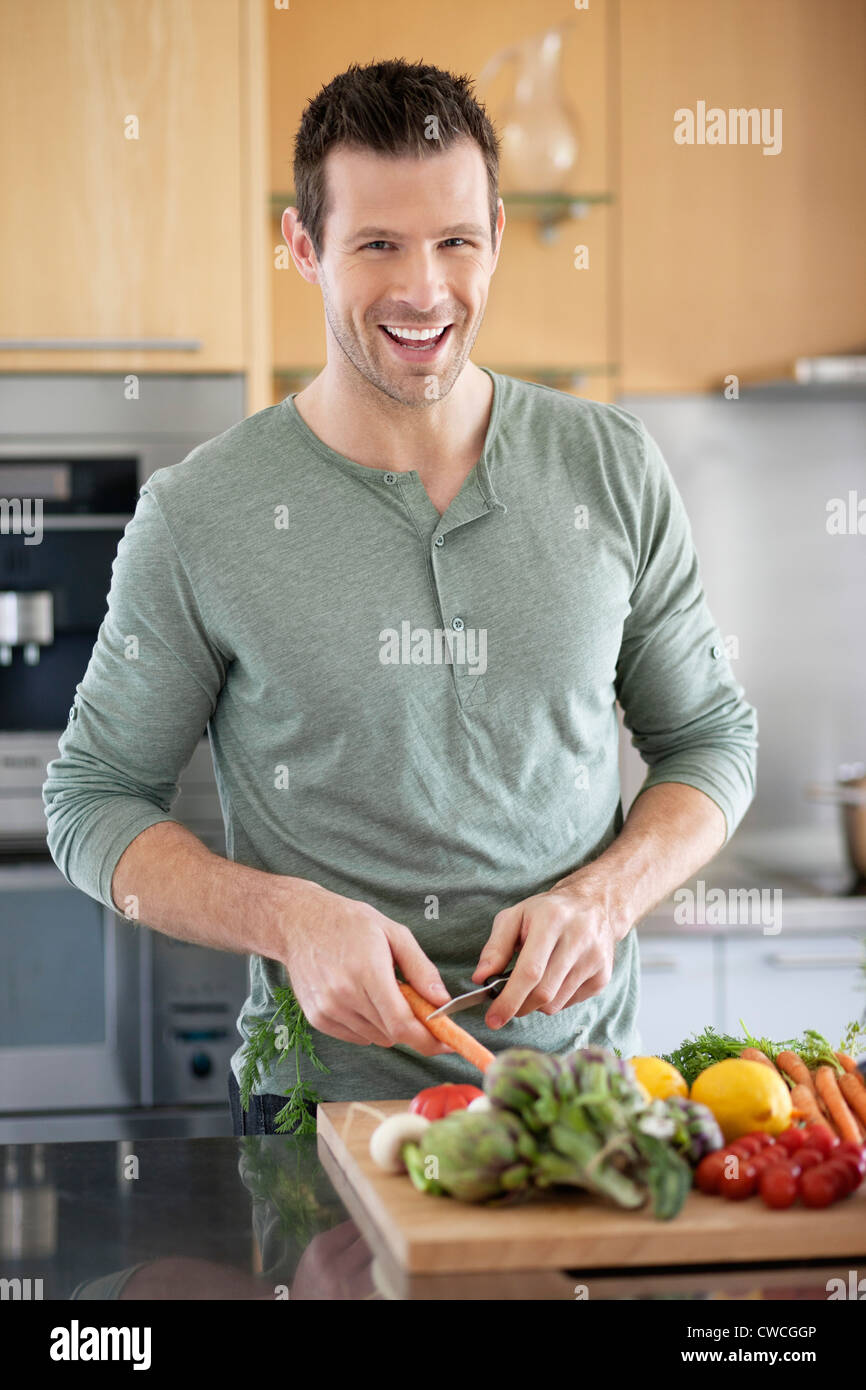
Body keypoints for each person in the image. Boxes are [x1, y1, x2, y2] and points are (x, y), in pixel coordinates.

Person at [43, 59, 758, 1136]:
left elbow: (710, 739)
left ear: (497, 236)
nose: (423, 290)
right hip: (321, 1123)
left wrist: (601, 896)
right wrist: (286, 918)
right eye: (377, 244)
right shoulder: (201, 516)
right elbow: (90, 800)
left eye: (454, 242)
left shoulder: (608, 466)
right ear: (302, 247)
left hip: (586, 1108)